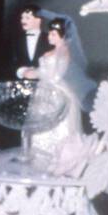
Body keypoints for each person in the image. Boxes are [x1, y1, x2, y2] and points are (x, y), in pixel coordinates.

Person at [19, 18, 84, 162]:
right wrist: (33, 71)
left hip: (53, 90)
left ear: (63, 36)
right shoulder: (54, 51)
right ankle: (40, 156)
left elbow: (54, 74)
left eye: (53, 34)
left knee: (54, 123)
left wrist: (34, 73)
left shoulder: (63, 52)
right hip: (45, 88)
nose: (49, 37)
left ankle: (54, 157)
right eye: (49, 34)